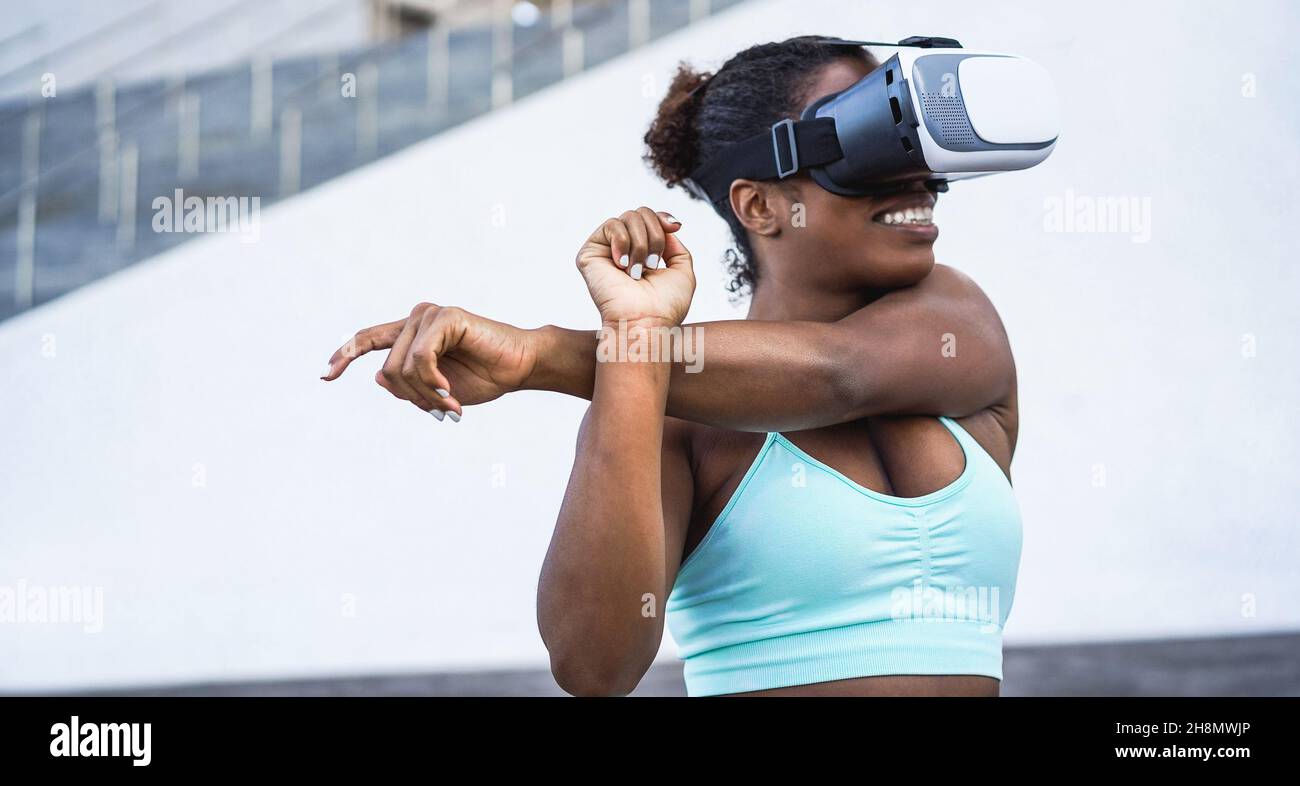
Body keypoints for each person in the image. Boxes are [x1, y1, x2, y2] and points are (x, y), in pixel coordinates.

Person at [323, 36, 1022, 697]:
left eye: (912, 138)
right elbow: (593, 666)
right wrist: (632, 332)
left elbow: (838, 372)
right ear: (759, 205)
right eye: (867, 143)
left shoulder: (956, 321)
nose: (916, 176)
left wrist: (540, 353)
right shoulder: (666, 415)